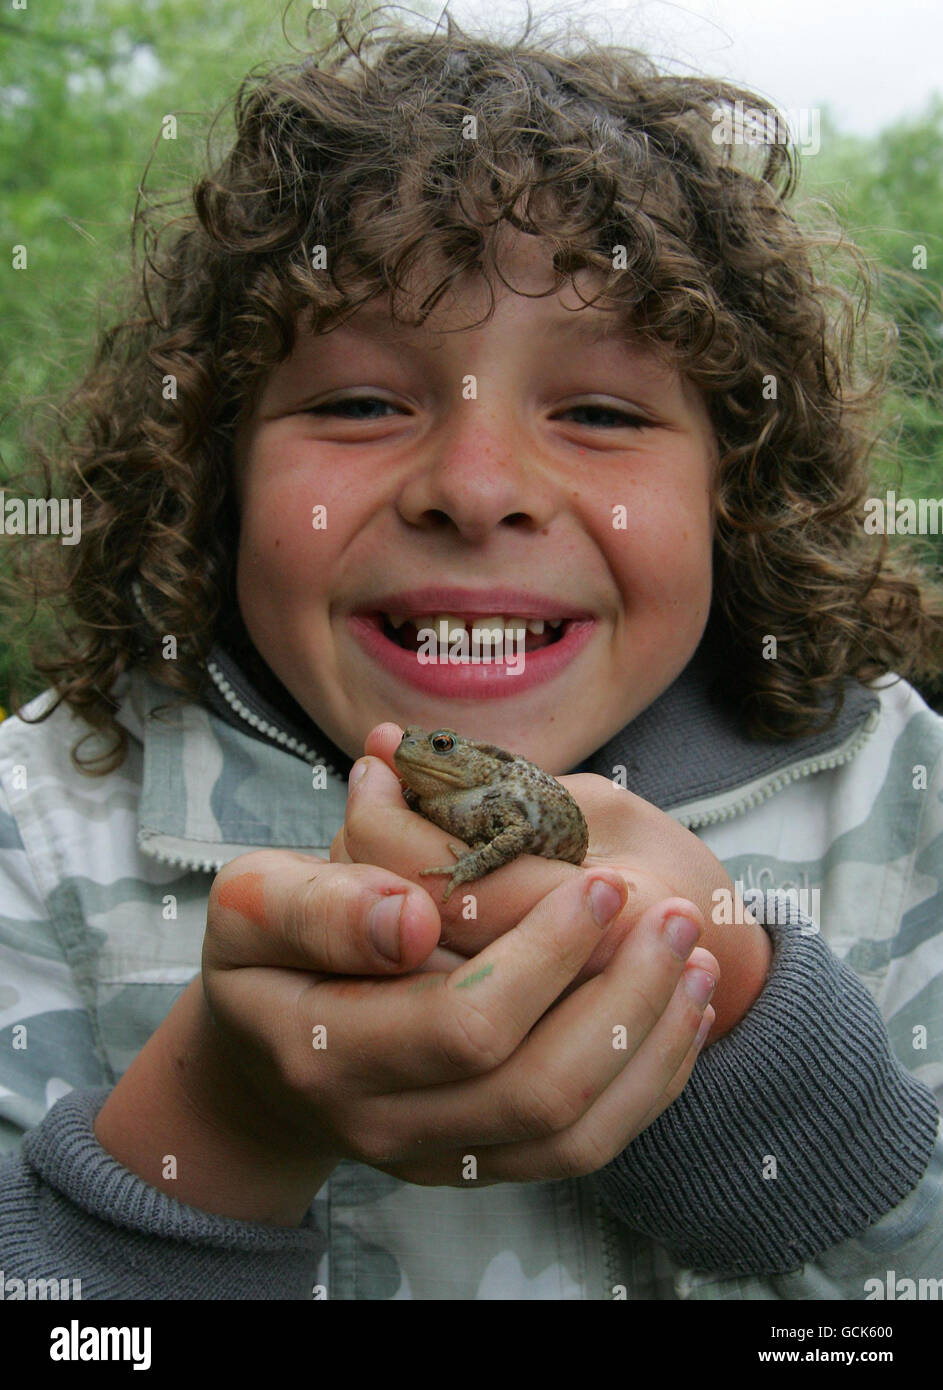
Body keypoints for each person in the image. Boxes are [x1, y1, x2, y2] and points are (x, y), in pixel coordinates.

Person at [1, 9, 941, 1301]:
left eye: (602, 411)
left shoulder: (901, 795)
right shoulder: (38, 822)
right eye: (360, 402)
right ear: (210, 474)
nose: (476, 484)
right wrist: (224, 1124)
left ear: (739, 488)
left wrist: (740, 1040)